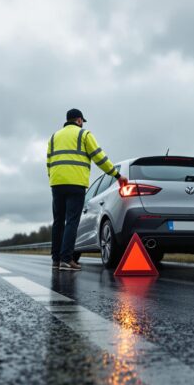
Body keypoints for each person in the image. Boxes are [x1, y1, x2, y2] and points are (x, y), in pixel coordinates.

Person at [47, 109, 128, 271]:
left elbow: (49, 163)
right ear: (78, 120)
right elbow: (99, 157)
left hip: (56, 183)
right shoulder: (84, 135)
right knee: (72, 221)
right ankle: (66, 259)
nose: (82, 123)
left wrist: (53, 179)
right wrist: (117, 175)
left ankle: (56, 260)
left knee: (58, 221)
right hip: (76, 183)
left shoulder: (54, 137)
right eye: (82, 121)